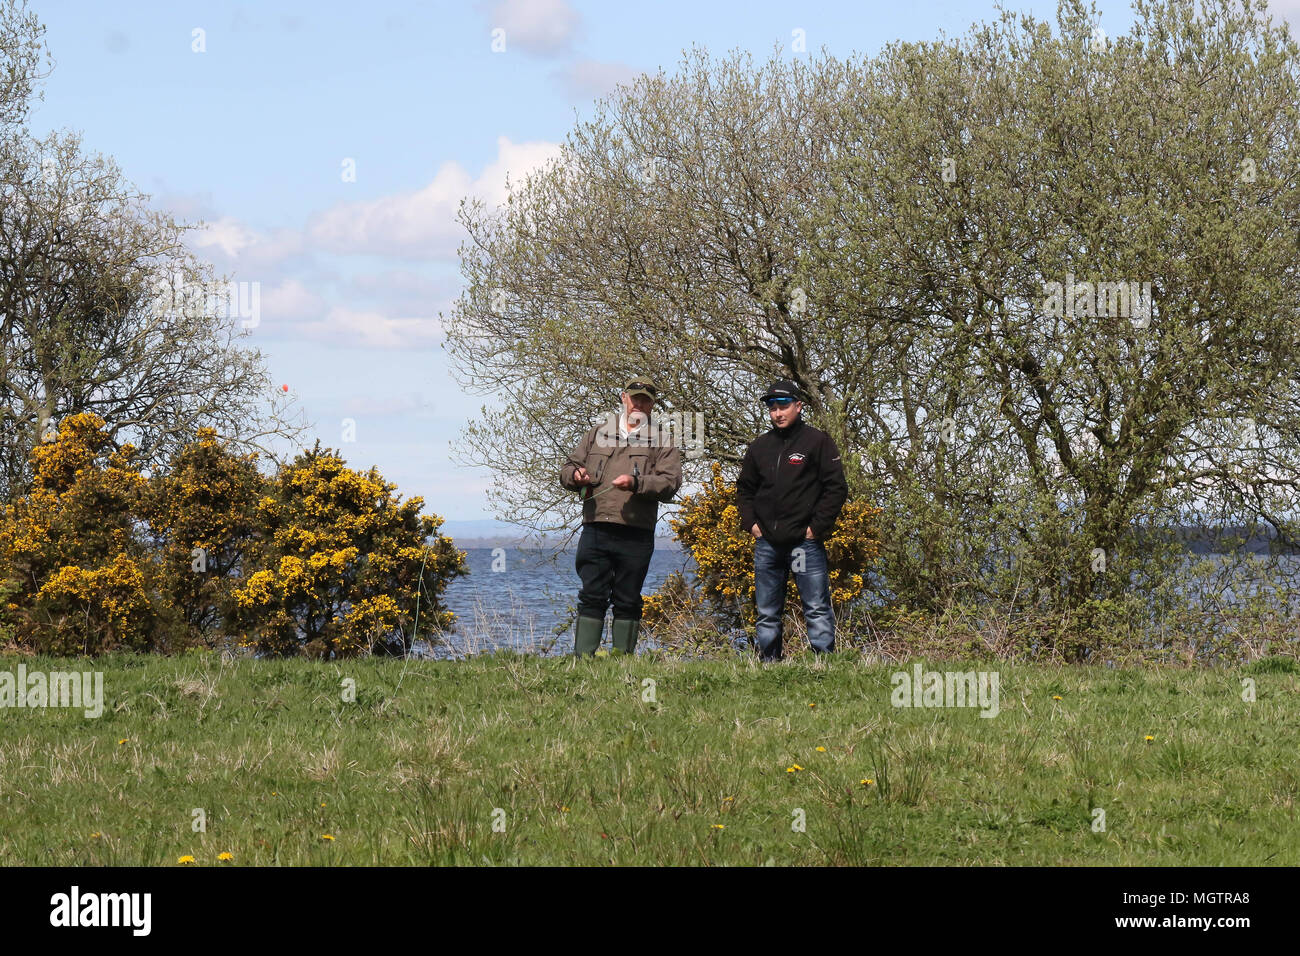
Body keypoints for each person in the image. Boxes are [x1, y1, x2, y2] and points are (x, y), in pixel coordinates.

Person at [559, 378, 682, 656]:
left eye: (646, 400)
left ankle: (621, 662)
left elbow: (670, 482)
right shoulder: (596, 433)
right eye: (635, 398)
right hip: (596, 527)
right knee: (591, 595)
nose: (639, 404)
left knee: (628, 599)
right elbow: (568, 468)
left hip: (636, 531)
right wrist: (576, 476)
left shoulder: (663, 441)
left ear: (652, 404)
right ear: (624, 398)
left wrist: (637, 484)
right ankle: (583, 660)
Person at [736, 379, 848, 660]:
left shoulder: (817, 441)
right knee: (767, 612)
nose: (778, 413)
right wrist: (752, 525)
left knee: (816, 608)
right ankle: (769, 664)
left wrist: (815, 529)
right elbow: (744, 490)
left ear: (799, 406)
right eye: (772, 408)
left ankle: (824, 664)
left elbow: (836, 488)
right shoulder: (759, 447)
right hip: (768, 545)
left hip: (803, 544)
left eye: (783, 406)